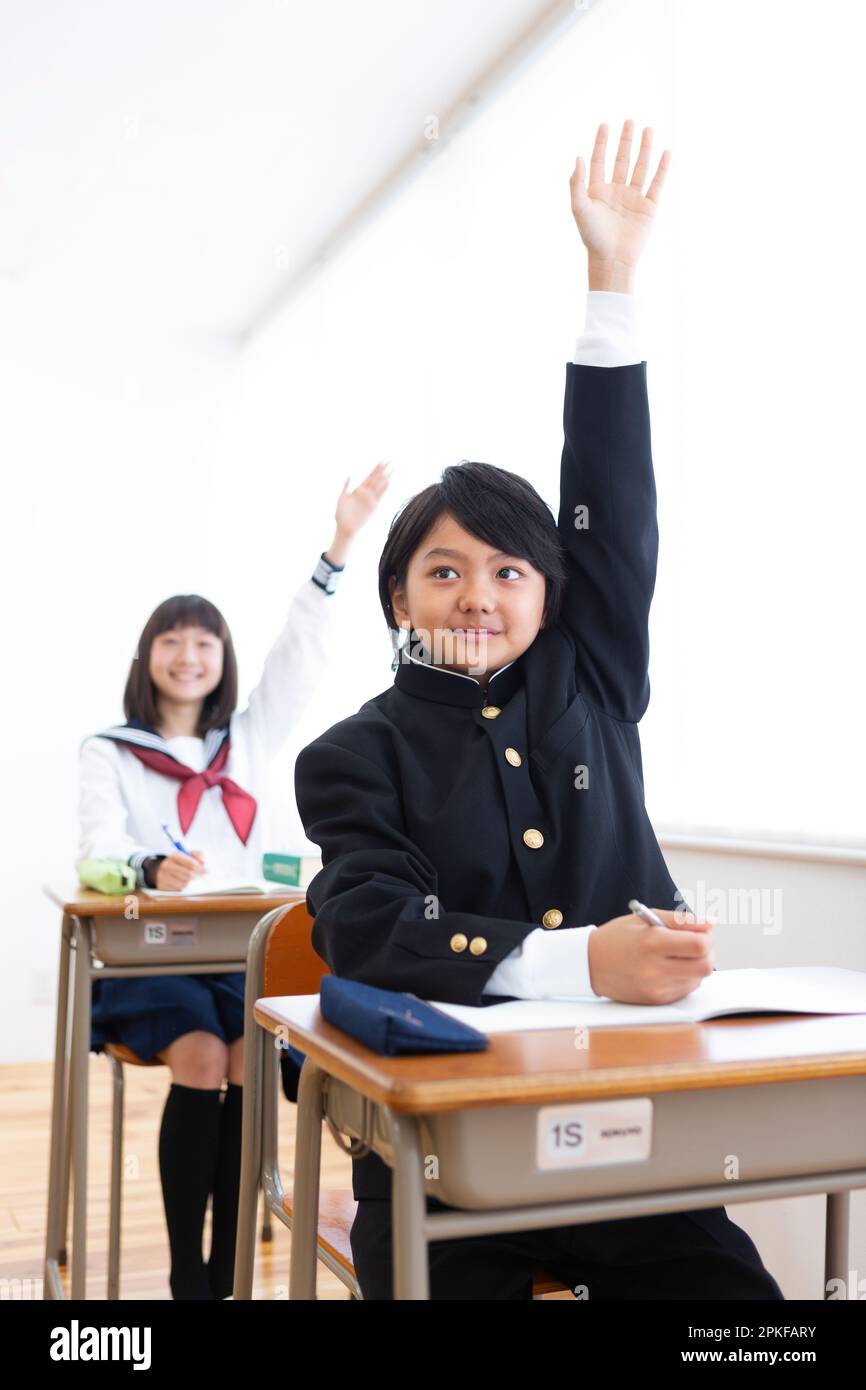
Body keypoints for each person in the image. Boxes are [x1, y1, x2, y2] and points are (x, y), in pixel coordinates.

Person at [293, 121, 785, 1300]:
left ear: (549, 594)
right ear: (396, 592)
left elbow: (609, 510)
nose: (479, 595)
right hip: (445, 1169)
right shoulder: (349, 755)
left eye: (510, 570)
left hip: (637, 1157)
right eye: (444, 570)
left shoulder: (591, 674)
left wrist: (608, 284)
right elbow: (368, 927)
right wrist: (580, 961)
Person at [76, 463, 391, 1299]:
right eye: (172, 641)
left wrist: (341, 544)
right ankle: (192, 1276)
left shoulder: (248, 740)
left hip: (236, 953)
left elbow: (301, 650)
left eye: (204, 642)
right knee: (207, 1058)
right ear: (148, 656)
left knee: (252, 1062)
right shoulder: (109, 750)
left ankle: (230, 1271)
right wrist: (145, 866)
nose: (188, 656)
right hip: (153, 959)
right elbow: (95, 854)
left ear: (223, 659)